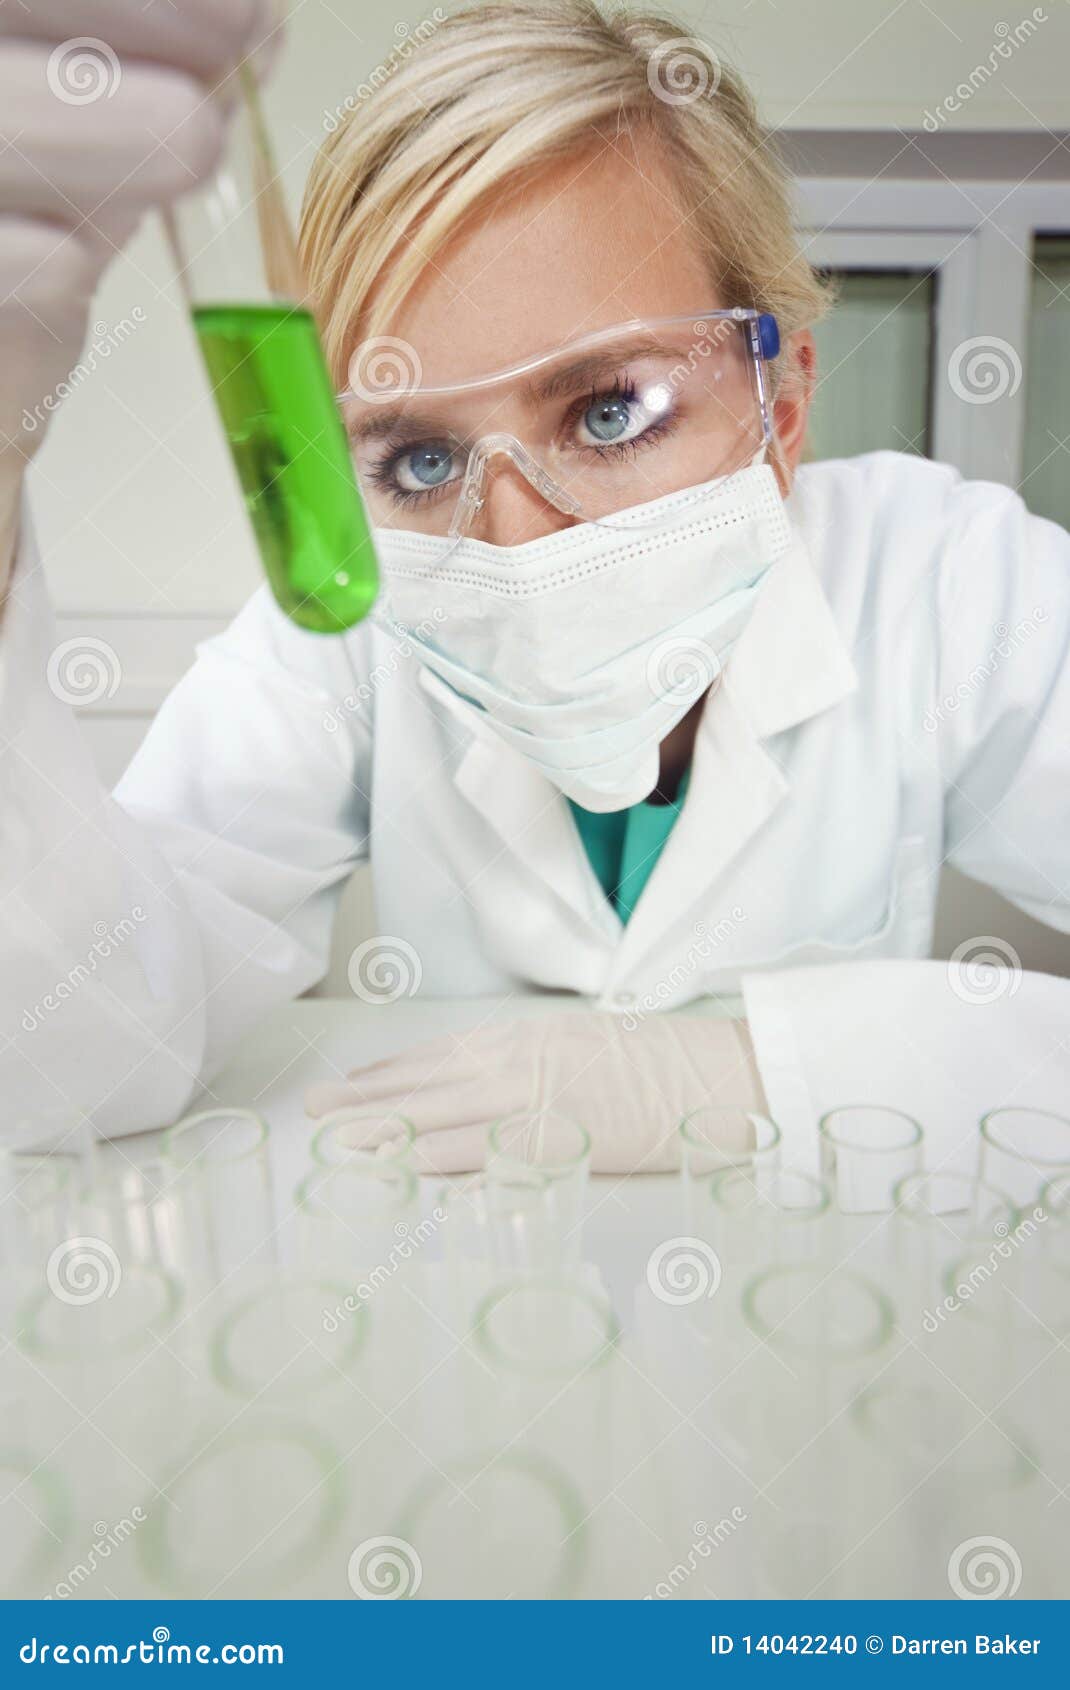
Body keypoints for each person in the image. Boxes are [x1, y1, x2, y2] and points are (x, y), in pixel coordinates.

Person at [2, 1, 1069, 1173]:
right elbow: (71, 1056)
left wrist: (767, 1077)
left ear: (782, 408)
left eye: (610, 412)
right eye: (420, 458)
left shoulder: (946, 583)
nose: (513, 543)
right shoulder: (351, 625)